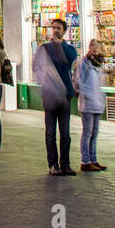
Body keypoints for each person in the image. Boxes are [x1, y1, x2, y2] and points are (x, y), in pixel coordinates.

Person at [33, 18, 77, 176]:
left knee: (65, 133)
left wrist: (59, 45)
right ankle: (53, 164)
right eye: (54, 28)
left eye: (58, 28)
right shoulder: (45, 48)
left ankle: (66, 164)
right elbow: (36, 66)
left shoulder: (68, 49)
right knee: (50, 133)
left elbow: (71, 59)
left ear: (64, 31)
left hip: (65, 95)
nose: (56, 30)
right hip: (50, 96)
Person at [76, 38, 106, 172]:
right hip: (88, 103)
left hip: (97, 102)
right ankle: (85, 160)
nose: (94, 48)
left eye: (97, 46)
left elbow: (101, 84)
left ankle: (93, 159)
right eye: (92, 46)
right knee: (87, 132)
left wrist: (101, 98)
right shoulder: (84, 63)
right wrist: (86, 94)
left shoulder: (100, 64)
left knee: (94, 133)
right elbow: (78, 81)